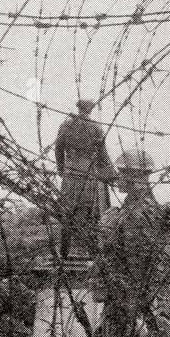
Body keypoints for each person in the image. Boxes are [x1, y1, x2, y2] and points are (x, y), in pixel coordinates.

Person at [97, 147, 170, 337]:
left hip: (130, 304)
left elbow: (136, 267)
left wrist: (129, 303)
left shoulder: (136, 215)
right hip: (132, 302)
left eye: (122, 173)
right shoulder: (135, 211)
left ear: (135, 177)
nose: (117, 178)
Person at [55, 99, 116, 258]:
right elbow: (103, 156)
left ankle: (64, 252)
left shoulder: (66, 125)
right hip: (88, 174)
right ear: (91, 109)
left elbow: (58, 149)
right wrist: (110, 175)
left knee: (67, 210)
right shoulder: (96, 127)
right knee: (88, 210)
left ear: (79, 108)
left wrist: (61, 169)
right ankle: (88, 251)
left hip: (69, 172)